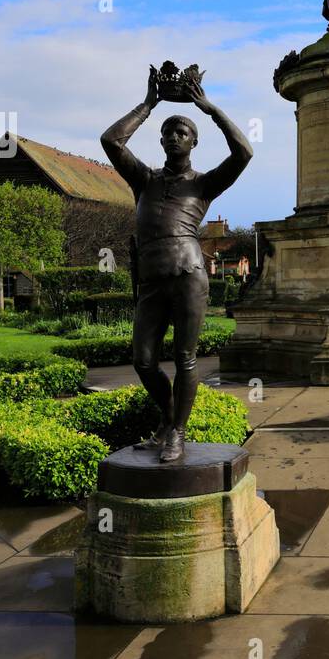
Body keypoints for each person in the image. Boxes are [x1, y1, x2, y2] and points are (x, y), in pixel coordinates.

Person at [100, 65, 253, 462]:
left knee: (185, 358)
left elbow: (244, 153)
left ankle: (177, 434)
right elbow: (111, 140)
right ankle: (168, 422)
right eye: (167, 132)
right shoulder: (144, 179)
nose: (172, 137)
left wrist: (209, 109)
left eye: (181, 132)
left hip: (188, 276)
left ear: (194, 141)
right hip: (151, 280)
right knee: (144, 360)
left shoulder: (203, 184)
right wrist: (149, 104)